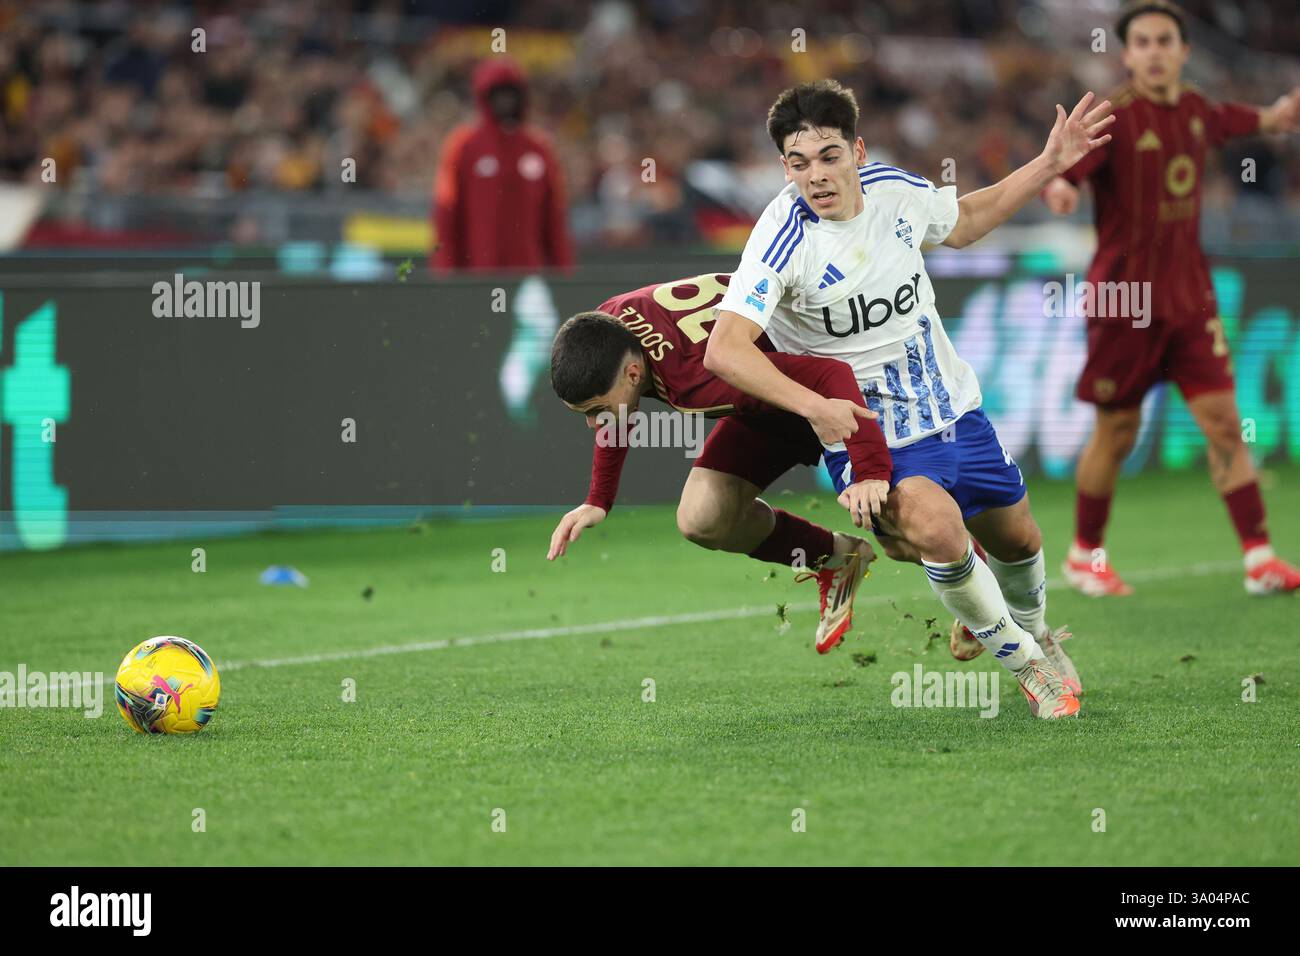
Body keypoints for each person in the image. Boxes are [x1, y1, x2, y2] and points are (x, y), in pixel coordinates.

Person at [705, 79, 1111, 717]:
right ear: (784, 167)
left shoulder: (896, 191)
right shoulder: (782, 237)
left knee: (1018, 541)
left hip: (952, 409)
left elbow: (966, 222)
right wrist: (817, 410)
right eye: (798, 162)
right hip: (871, 435)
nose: (816, 175)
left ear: (858, 151)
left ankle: (1019, 626)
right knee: (936, 530)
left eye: (830, 155)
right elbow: (725, 349)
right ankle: (1031, 668)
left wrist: (1049, 163)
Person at [1041, 0, 1300, 596]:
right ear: (1127, 55)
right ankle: (1085, 555)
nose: (1155, 52)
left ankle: (1259, 558)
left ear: (1184, 51)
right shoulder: (1114, 118)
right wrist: (1059, 188)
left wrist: (1274, 116)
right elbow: (1070, 170)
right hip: (1123, 301)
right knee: (1118, 430)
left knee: (1225, 425)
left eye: (1166, 41)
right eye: (1143, 43)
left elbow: (1235, 118)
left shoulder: (1195, 111)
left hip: (1190, 300)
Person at [547, 273, 892, 653]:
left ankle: (967, 588)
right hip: (769, 403)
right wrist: (598, 499)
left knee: (902, 528)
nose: (593, 423)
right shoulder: (610, 325)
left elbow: (831, 373)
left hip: (839, 391)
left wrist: (870, 470)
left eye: (595, 410)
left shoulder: (696, 375)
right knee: (702, 519)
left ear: (633, 373)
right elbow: (619, 406)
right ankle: (839, 557)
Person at [432, 57, 573, 272]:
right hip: (476, 274)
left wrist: (563, 272)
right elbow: (447, 214)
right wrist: (446, 271)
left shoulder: (539, 148)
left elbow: (554, 218)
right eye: (498, 95)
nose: (505, 102)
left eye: (510, 95)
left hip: (529, 275)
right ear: (485, 98)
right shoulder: (463, 146)